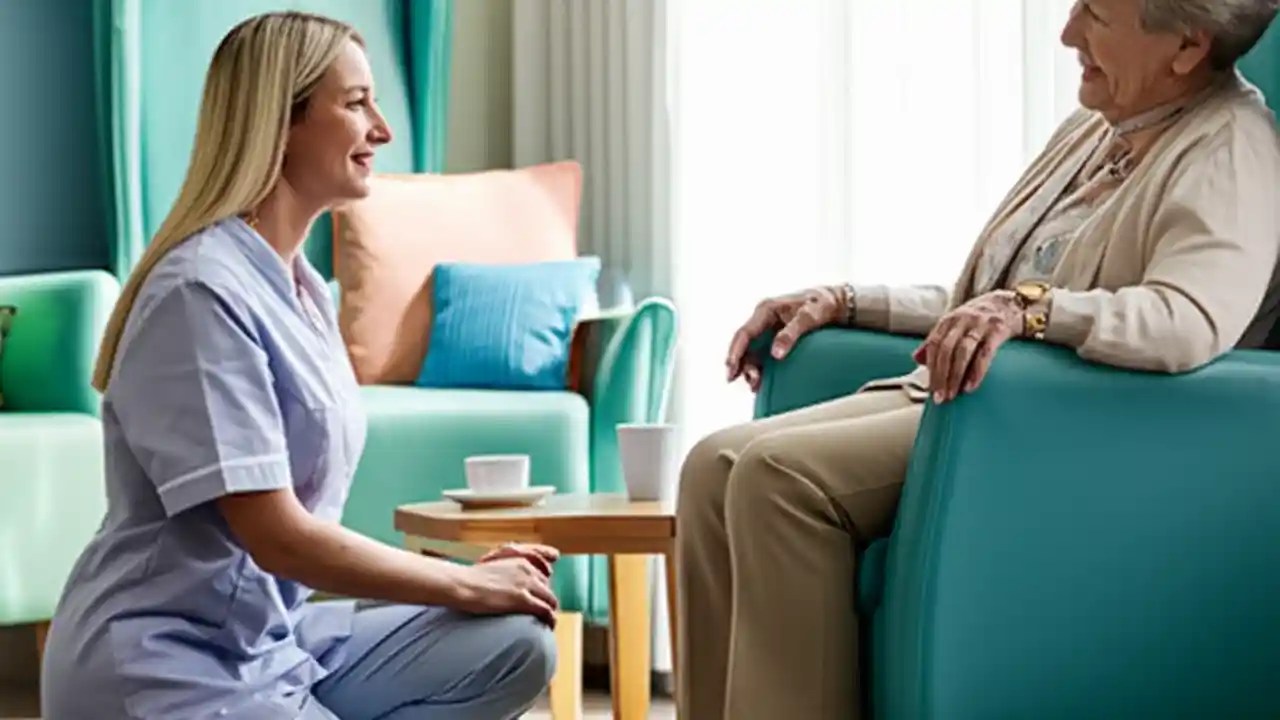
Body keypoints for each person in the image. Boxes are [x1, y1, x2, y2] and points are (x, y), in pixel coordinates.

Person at [675, 1, 1280, 718]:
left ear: (1186, 46)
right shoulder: (1095, 131)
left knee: (779, 482)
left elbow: (1188, 319)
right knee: (712, 465)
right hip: (977, 401)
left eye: (1096, 13)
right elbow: (992, 296)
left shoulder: (1233, 152)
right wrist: (847, 299)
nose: (1067, 32)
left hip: (1059, 425)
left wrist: (1032, 311)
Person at [41, 12, 558, 720]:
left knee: (517, 644)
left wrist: (476, 588)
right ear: (280, 121)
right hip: (165, 661)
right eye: (355, 103)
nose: (382, 130)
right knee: (484, 610)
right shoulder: (198, 291)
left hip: (274, 642)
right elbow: (277, 535)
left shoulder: (301, 289)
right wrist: (463, 582)